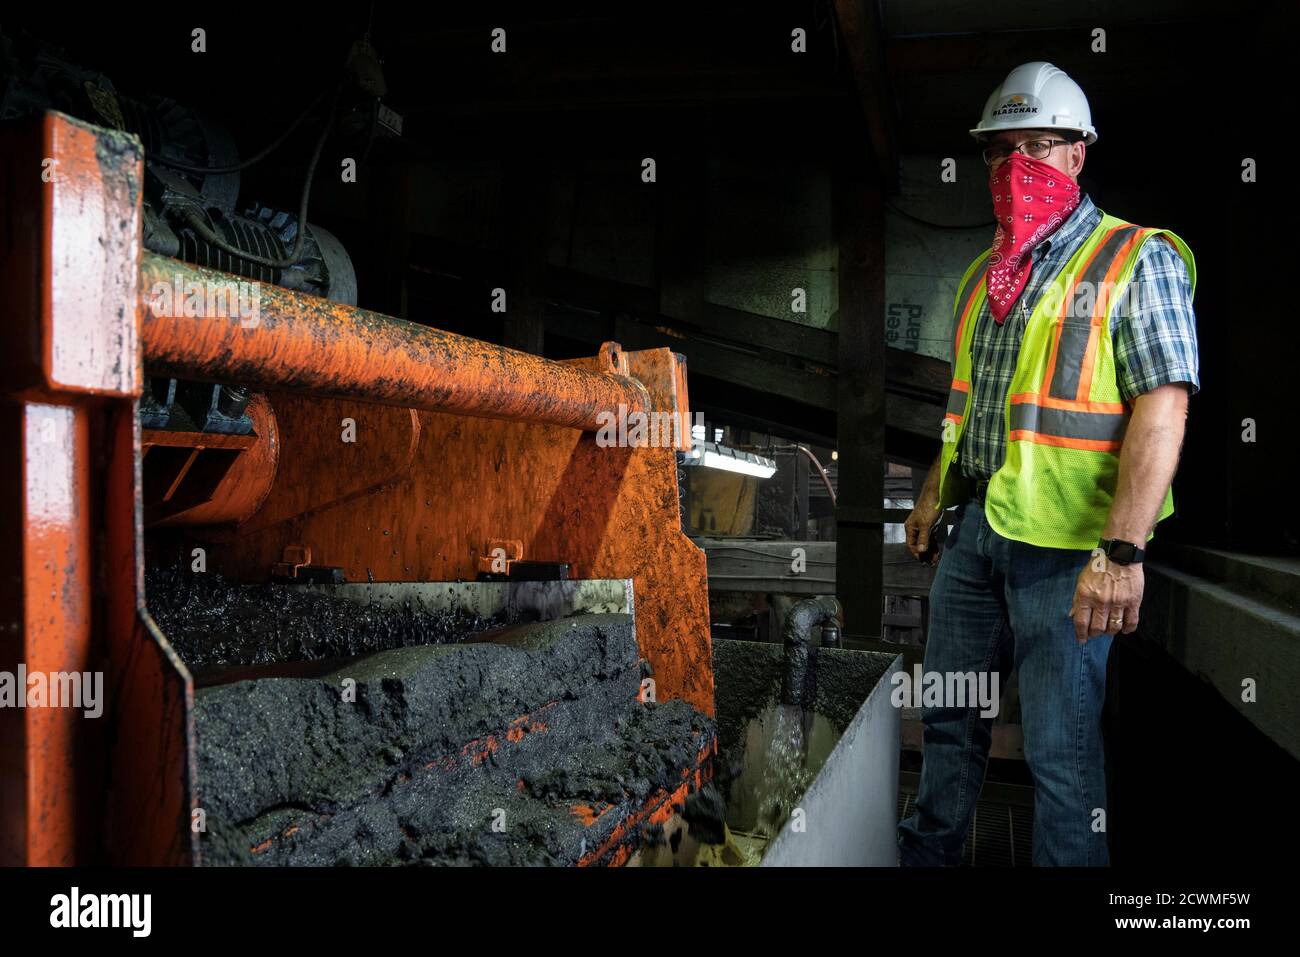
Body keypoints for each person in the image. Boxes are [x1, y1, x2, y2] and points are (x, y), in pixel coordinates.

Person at [896, 61, 1199, 866]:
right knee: (947, 725)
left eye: (1036, 145)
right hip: (977, 538)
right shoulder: (982, 278)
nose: (1013, 167)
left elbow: (1164, 410)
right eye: (999, 152)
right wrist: (933, 493)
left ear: (1077, 155)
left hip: (1071, 555)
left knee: (1060, 757)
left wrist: (1124, 552)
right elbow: (968, 409)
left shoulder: (1136, 259)